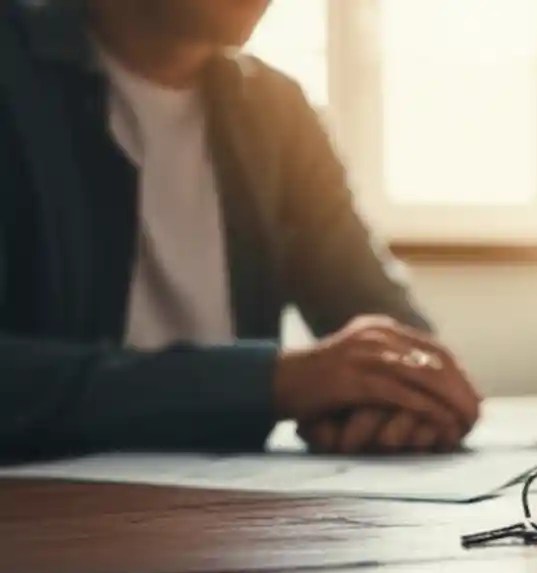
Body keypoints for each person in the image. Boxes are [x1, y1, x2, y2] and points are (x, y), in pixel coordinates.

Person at [0, 0, 481, 459]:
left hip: (233, 505)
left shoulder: (275, 113)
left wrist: (402, 401)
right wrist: (273, 382)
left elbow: (392, 337)